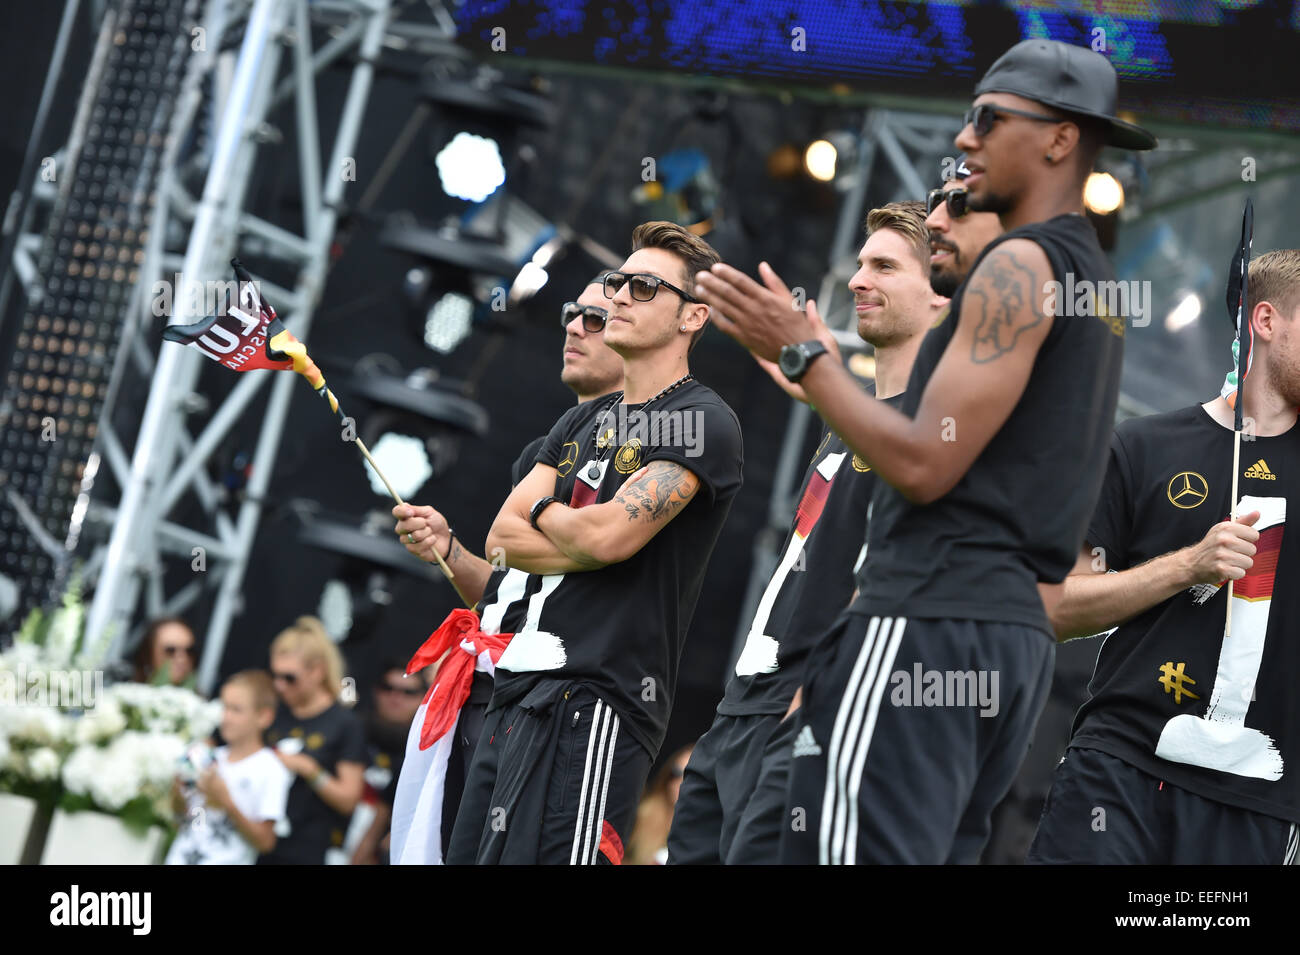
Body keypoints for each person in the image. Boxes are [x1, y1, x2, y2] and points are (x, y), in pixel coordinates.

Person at [696, 38, 1155, 863]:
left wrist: (804, 353)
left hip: (925, 621)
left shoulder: (1020, 262)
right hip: (1005, 648)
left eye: (988, 118)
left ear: (1058, 139)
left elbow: (921, 461)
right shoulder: (1096, 282)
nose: (967, 138)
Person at [446, 220, 744, 865]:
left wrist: (547, 512)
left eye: (644, 287)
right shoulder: (582, 418)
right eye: (617, 282)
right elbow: (501, 540)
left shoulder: (701, 422)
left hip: (597, 703)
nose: (618, 298)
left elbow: (609, 537)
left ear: (694, 315)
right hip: (514, 693)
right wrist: (576, 528)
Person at [667, 200, 947, 865]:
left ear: (940, 298)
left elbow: (898, 571)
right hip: (742, 706)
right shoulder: (858, 416)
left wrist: (816, 696)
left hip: (805, 709)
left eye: (883, 265)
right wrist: (819, 381)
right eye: (858, 263)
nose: (856, 280)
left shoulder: (932, 434)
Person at [1029, 249, 1300, 864]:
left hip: (1260, 803)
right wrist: (1188, 565)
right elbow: (1054, 607)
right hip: (1120, 769)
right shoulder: (1141, 446)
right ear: (1265, 320)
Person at [386, 276, 626, 864]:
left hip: (557, 708)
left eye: (596, 319)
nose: (573, 326)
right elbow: (505, 597)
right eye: (573, 313)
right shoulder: (541, 454)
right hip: (483, 697)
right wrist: (453, 553)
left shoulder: (647, 455)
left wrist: (547, 524)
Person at [259, 616, 367, 865]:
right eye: (275, 676)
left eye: (290, 678)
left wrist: (309, 769)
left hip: (304, 850)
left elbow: (349, 800)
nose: (280, 685)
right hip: (255, 841)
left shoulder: (345, 724)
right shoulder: (273, 710)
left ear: (317, 671)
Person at [166, 671, 292, 865]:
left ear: (264, 717)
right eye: (224, 707)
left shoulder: (271, 770)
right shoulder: (211, 756)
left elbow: (266, 842)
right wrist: (179, 787)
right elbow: (181, 820)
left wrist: (225, 801)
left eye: (236, 710)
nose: (226, 717)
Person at [348, 661, 429, 865]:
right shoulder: (348, 732)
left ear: (423, 698)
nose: (395, 698)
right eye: (388, 688)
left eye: (407, 692)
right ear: (376, 691)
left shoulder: (425, 753)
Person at [626, 745, 694, 865]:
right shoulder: (644, 813)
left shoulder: (710, 829)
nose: (680, 783)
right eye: (677, 773)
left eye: (688, 777)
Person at [132, 616, 198, 687]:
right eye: (171, 650)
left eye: (189, 651)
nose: (182, 659)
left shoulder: (199, 698)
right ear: (148, 654)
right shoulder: (126, 694)